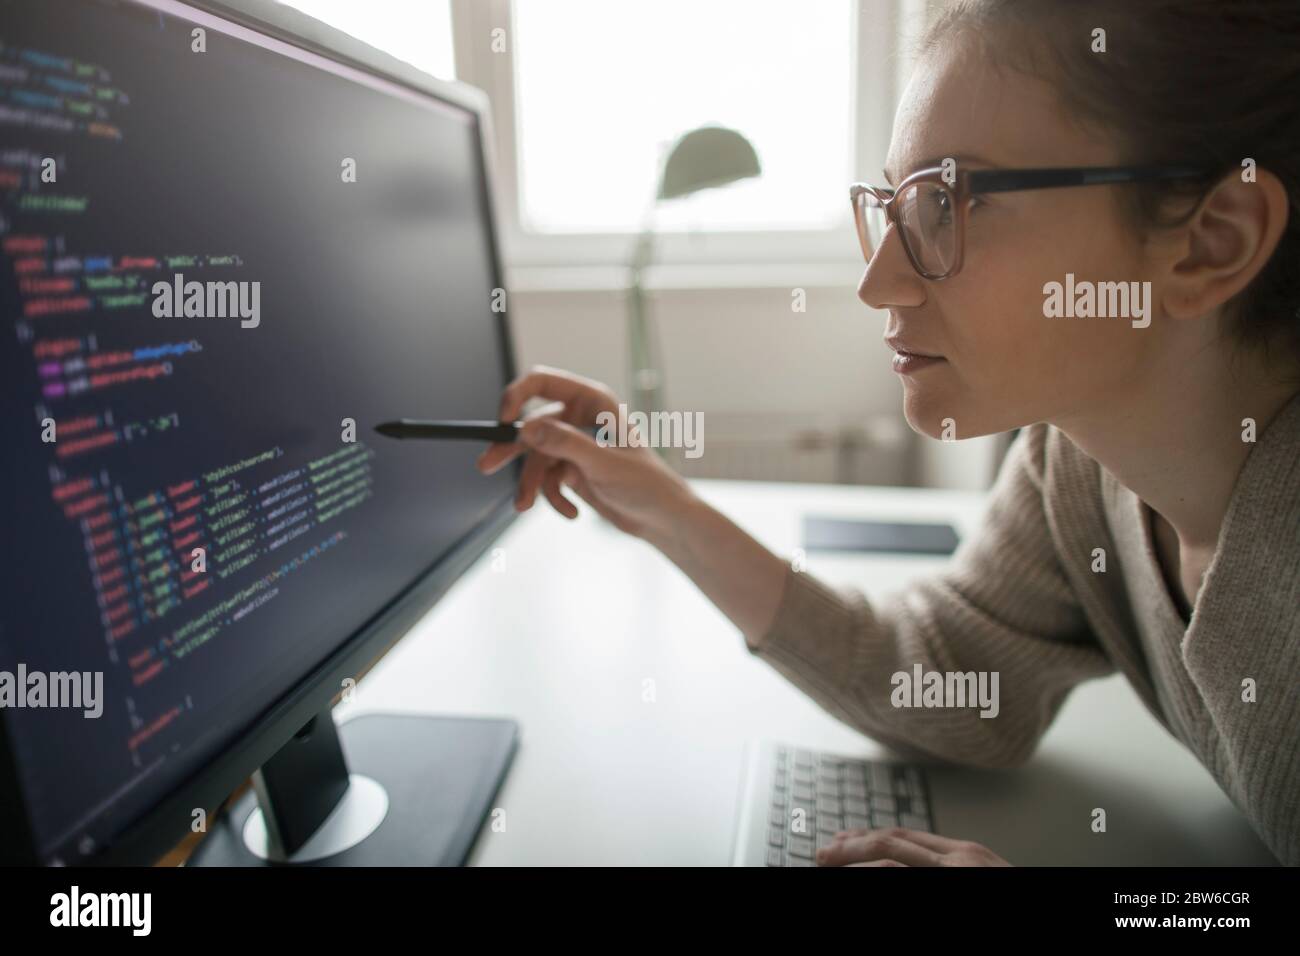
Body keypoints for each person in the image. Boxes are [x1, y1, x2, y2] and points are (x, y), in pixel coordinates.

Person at [476, 0, 1300, 867]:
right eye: (897, 206)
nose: (879, 284)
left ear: (1214, 240)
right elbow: (951, 681)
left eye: (949, 203)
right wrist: (666, 507)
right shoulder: (1079, 462)